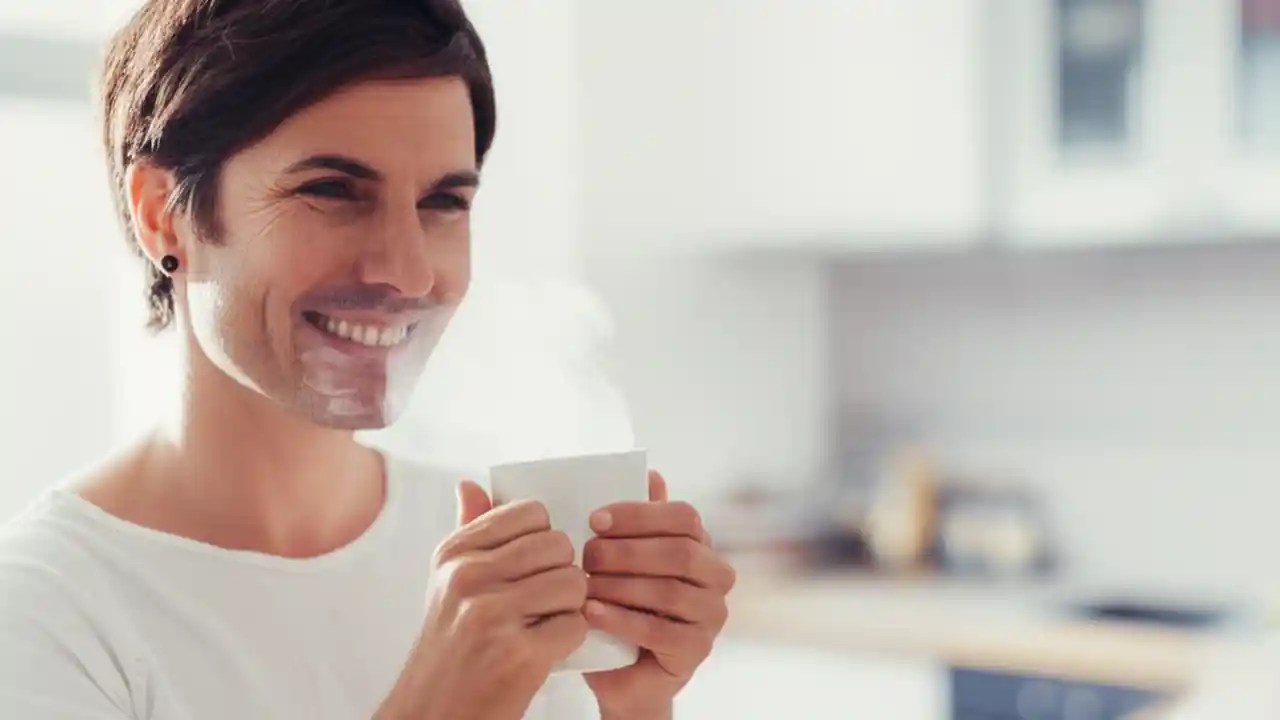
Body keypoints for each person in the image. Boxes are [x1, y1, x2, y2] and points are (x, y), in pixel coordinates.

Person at [0, 1, 735, 718]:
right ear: (163, 212)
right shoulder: (45, 613)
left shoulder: (501, 560)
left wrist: (635, 706)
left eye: (443, 202)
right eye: (332, 191)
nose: (408, 273)